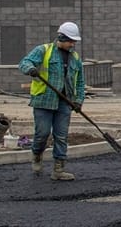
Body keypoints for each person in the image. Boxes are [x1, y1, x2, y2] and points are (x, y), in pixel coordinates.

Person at [18, 22, 86, 181]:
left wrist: (78, 100)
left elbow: (80, 82)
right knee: (42, 133)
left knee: (61, 136)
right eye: (71, 40)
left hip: (65, 102)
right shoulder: (44, 50)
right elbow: (24, 63)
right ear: (61, 37)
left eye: (74, 41)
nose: (73, 44)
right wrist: (30, 69)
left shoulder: (75, 58)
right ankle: (36, 154)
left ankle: (59, 170)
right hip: (44, 100)